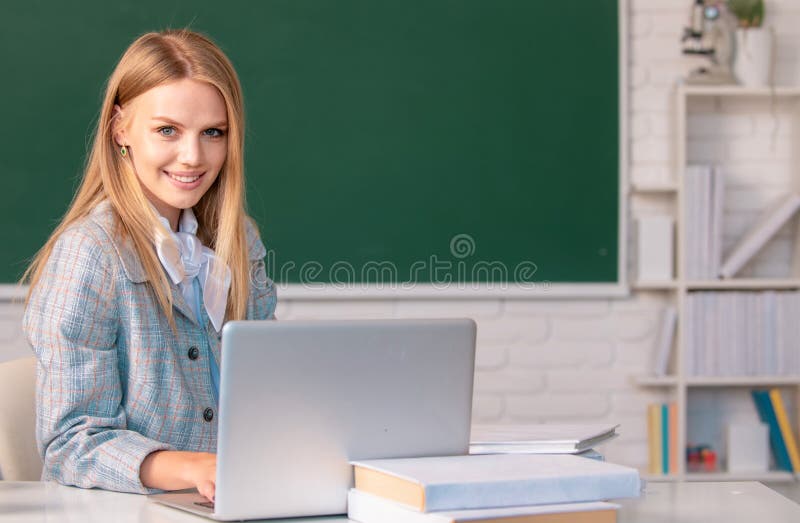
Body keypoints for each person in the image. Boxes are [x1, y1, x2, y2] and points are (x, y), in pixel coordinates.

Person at [21, 29, 276, 501]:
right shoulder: (90, 253)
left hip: (242, 501)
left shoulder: (239, 241)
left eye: (213, 133)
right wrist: (193, 467)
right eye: (167, 131)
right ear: (121, 130)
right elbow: (69, 445)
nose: (193, 156)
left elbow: (272, 391)